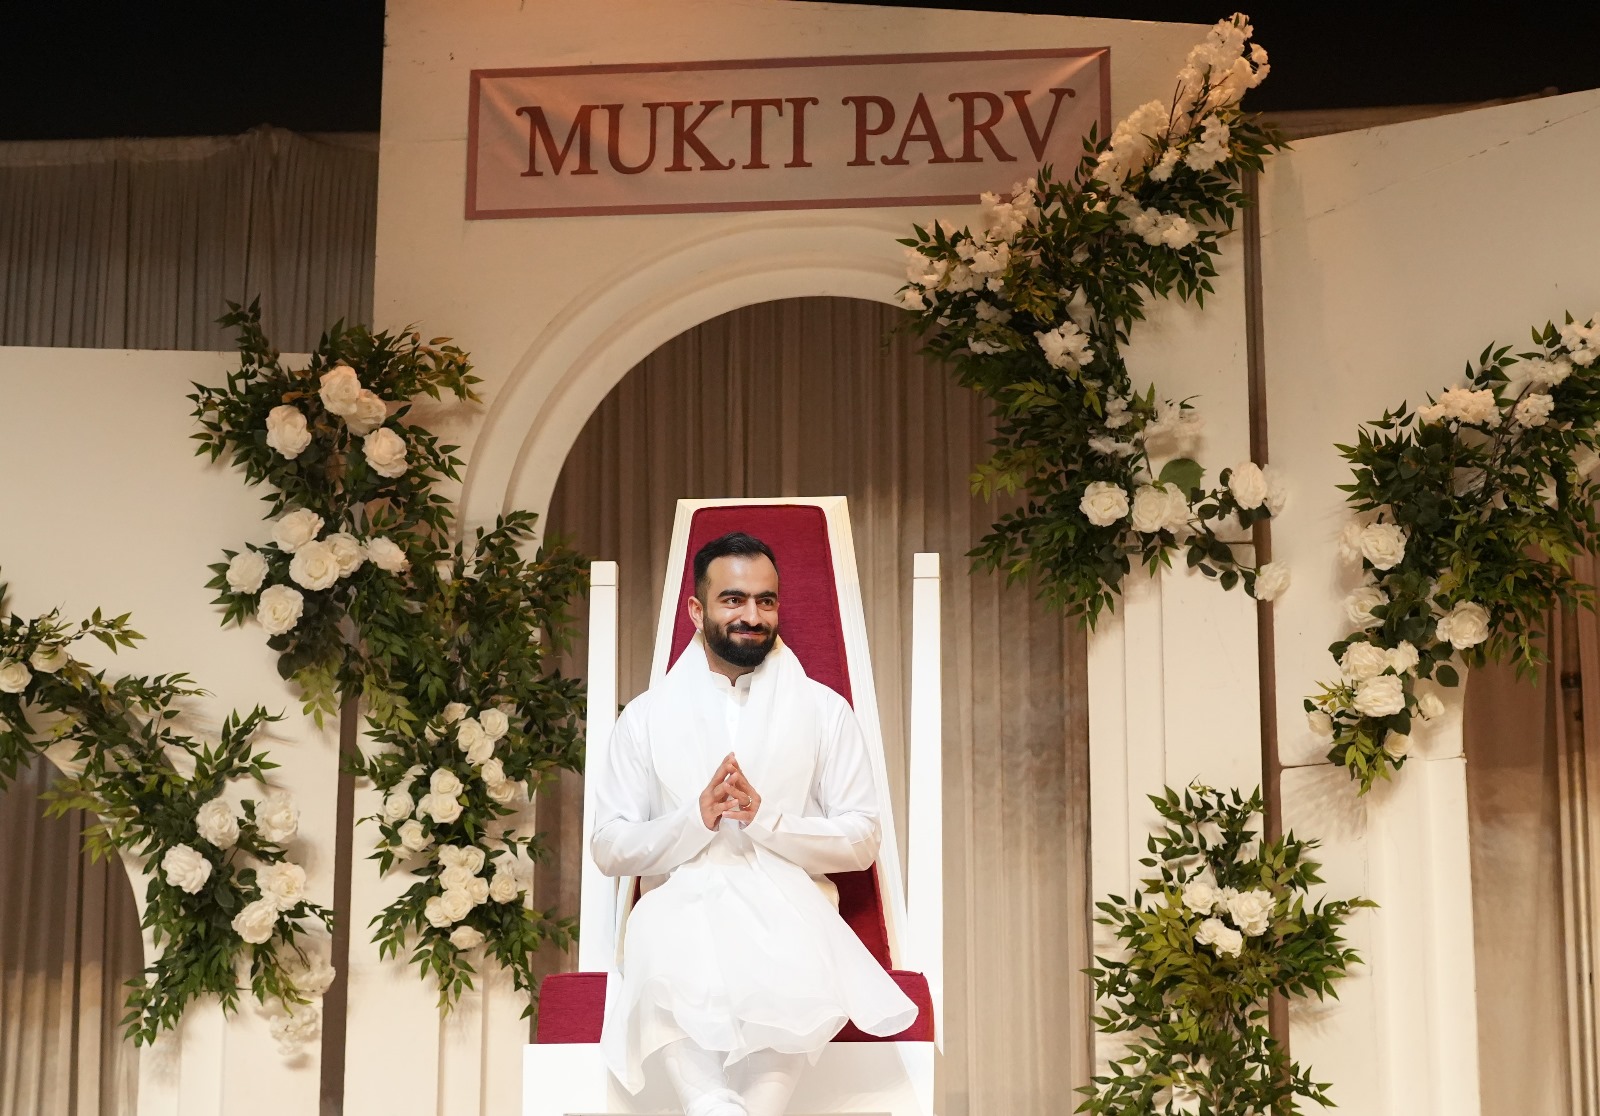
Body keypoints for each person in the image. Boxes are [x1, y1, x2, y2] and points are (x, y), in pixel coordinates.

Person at [591, 531, 917, 1116]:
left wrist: (765, 820)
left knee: (791, 943)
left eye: (766, 601)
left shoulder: (824, 711)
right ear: (697, 611)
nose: (752, 615)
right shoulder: (644, 718)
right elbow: (610, 846)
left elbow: (861, 838)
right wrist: (695, 820)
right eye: (733, 599)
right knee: (663, 930)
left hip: (790, 909)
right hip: (680, 911)